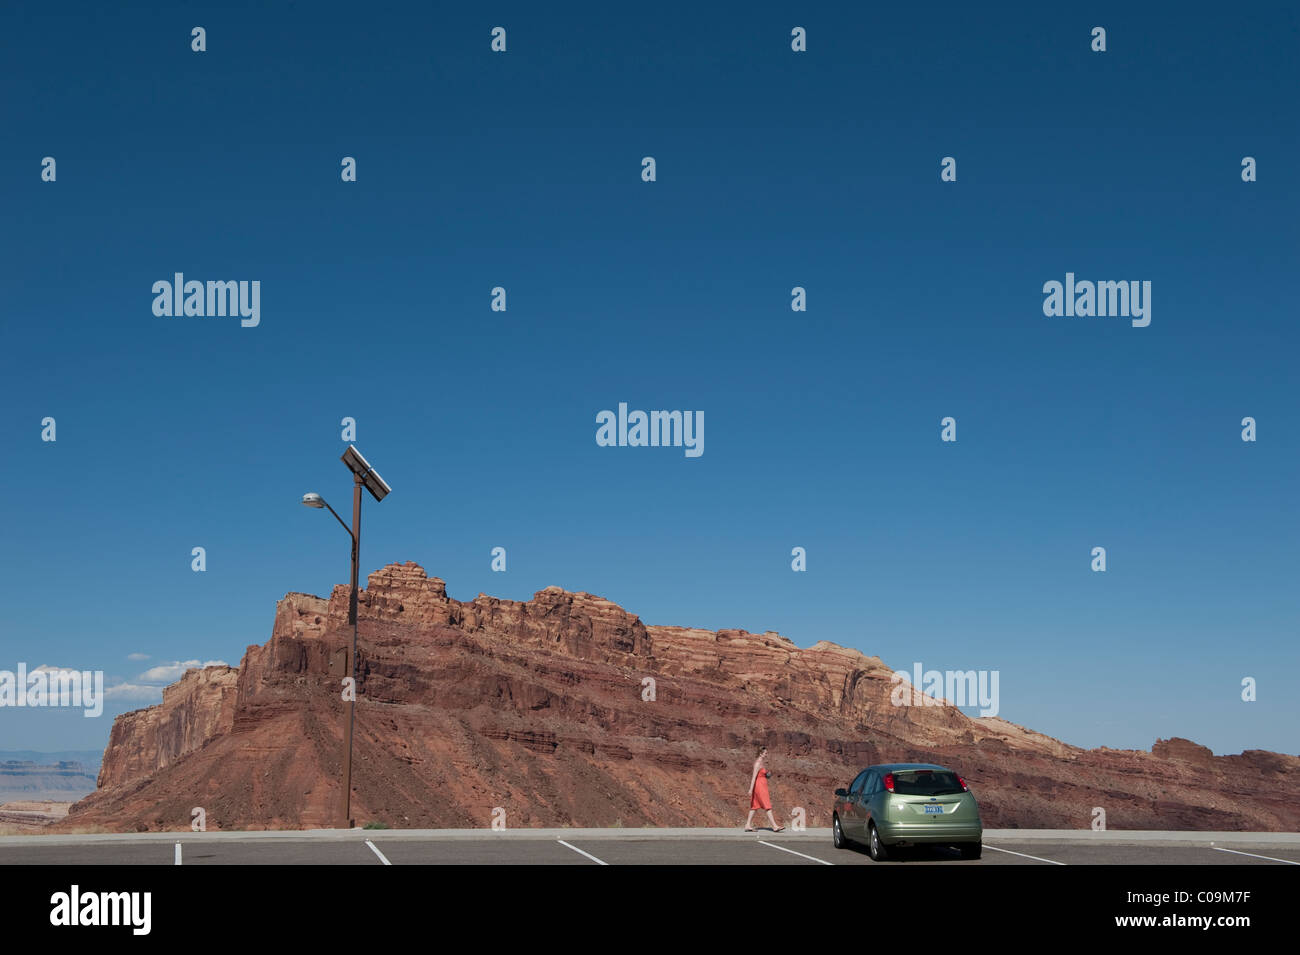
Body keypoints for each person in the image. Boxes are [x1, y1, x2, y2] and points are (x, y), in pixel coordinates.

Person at [744, 745, 783, 831]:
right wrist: (751, 789)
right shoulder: (758, 763)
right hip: (759, 787)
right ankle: (775, 826)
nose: (766, 754)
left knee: (754, 806)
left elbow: (761, 775)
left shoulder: (762, 762)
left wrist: (766, 775)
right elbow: (754, 777)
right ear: (761, 753)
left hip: (762, 785)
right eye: (765, 753)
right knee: (767, 805)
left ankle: (747, 825)